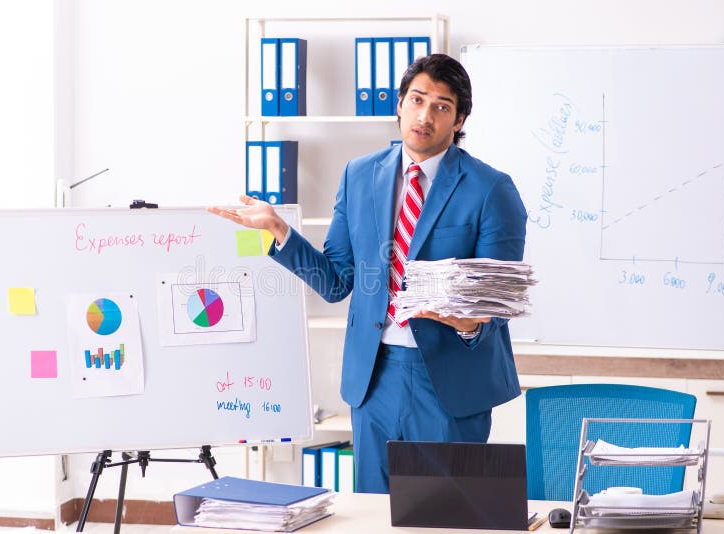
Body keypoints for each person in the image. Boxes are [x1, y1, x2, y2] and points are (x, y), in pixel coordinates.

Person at [209, 54, 527, 493]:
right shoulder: (359, 175)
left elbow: (498, 303)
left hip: (451, 381)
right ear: (399, 105)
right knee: (373, 513)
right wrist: (279, 231)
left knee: (445, 515)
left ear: (459, 120)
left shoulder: (492, 189)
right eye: (417, 100)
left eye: (441, 106)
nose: (424, 115)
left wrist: (470, 324)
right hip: (374, 378)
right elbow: (336, 281)